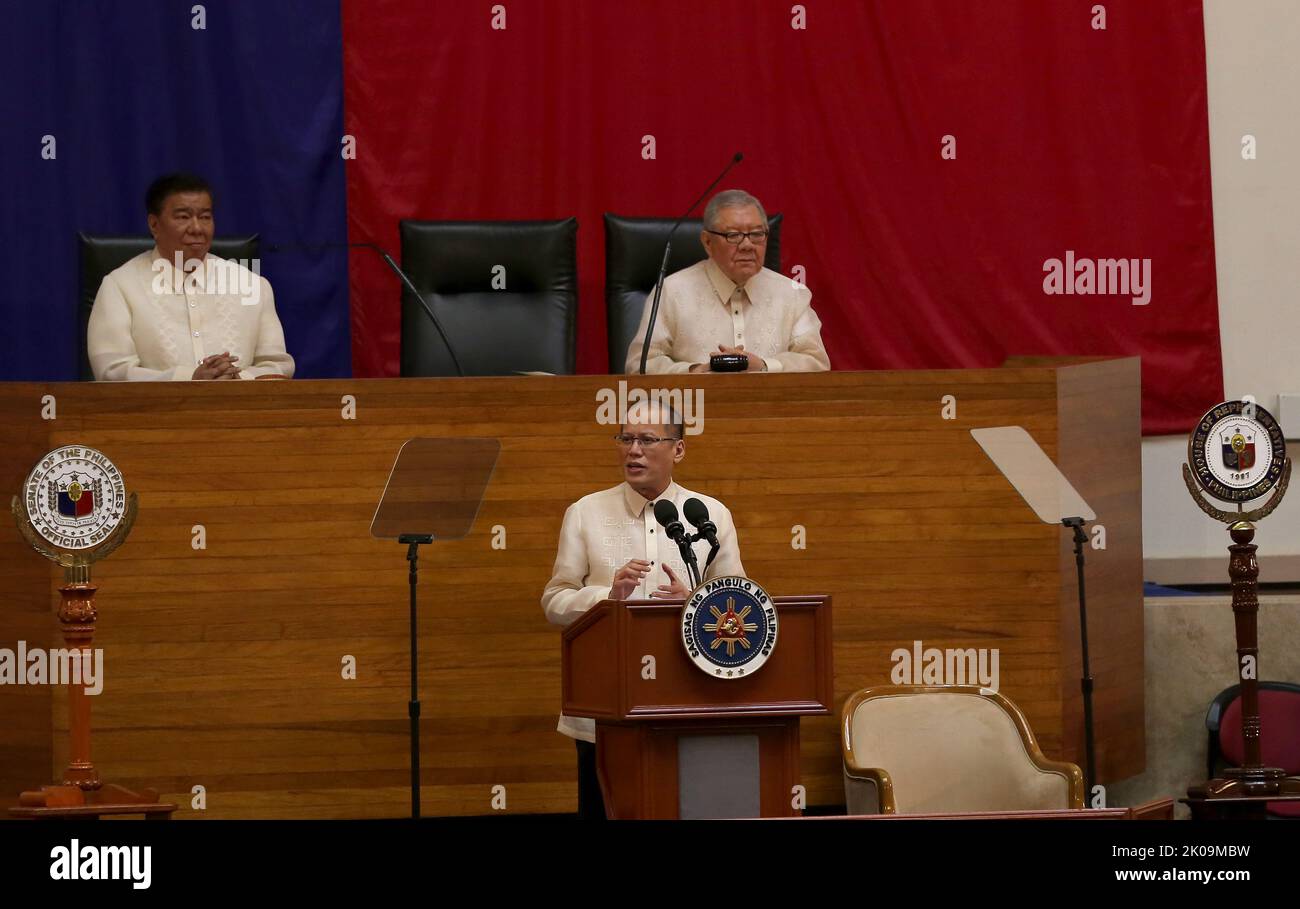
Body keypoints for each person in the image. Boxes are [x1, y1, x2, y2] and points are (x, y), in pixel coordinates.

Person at [541, 400, 744, 819]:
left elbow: (737, 607)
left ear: (678, 450)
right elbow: (555, 602)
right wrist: (608, 597)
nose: (634, 450)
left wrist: (694, 603)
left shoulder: (710, 515)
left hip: (689, 695)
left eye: (648, 440)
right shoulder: (586, 513)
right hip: (607, 701)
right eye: (626, 438)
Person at [87, 172, 294, 381]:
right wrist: (189, 379)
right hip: (156, 412)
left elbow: (277, 366)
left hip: (239, 411)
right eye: (183, 217)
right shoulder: (120, 287)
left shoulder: (253, 285)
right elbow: (111, 373)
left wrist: (237, 379)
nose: (197, 228)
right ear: (154, 225)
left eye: (205, 217)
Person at [626, 188, 830, 374]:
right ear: (707, 242)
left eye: (757, 234)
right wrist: (698, 371)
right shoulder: (672, 291)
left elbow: (817, 363)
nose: (747, 245)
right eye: (733, 235)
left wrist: (764, 366)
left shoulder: (792, 293)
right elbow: (639, 367)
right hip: (693, 410)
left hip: (773, 410)